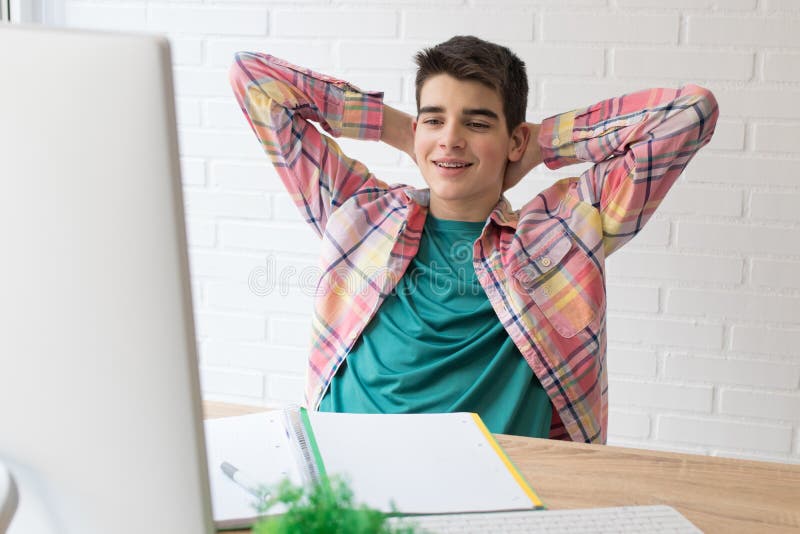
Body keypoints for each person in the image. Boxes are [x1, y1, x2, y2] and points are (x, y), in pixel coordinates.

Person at [229, 35, 718, 444]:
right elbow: (253, 79)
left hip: (489, 493)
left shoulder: (560, 237)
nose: (451, 139)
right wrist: (401, 129)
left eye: (478, 123)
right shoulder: (359, 213)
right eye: (436, 119)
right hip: (346, 478)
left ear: (513, 139)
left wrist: (540, 144)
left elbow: (689, 112)